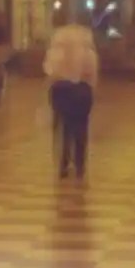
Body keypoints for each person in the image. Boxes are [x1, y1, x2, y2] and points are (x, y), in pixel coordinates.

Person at [44, 23, 99, 180]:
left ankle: (63, 163)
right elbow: (92, 70)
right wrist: (91, 86)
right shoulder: (87, 45)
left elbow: (50, 69)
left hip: (61, 88)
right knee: (81, 128)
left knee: (62, 127)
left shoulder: (57, 44)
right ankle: (80, 165)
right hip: (82, 89)